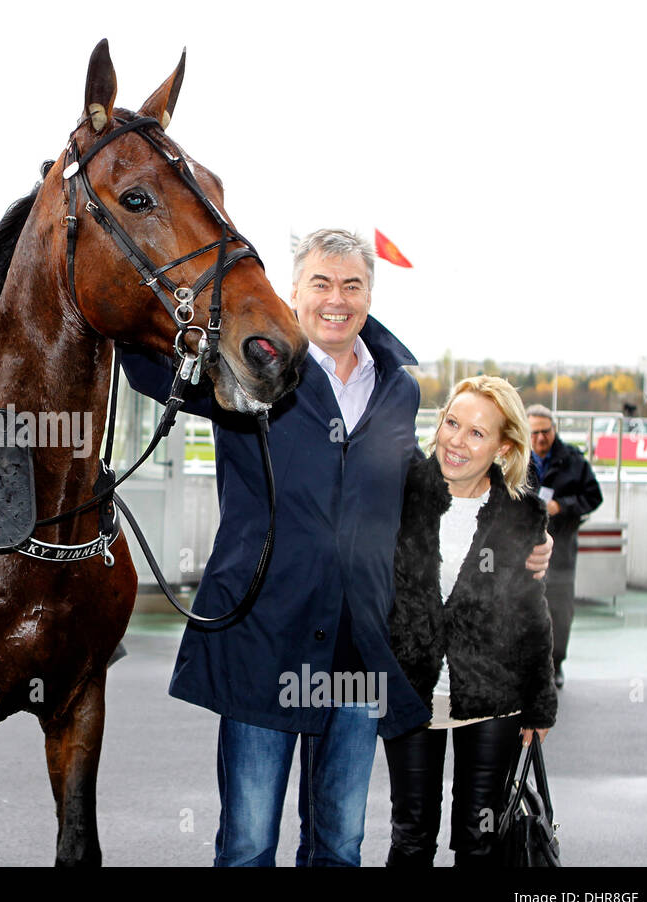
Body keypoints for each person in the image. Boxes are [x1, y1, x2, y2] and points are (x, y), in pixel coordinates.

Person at [119, 229, 551, 867]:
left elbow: (424, 485)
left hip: (357, 649)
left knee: (340, 846)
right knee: (247, 844)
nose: (336, 299)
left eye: (352, 285)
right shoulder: (252, 363)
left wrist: (523, 531)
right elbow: (148, 366)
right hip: (263, 636)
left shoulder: (398, 390)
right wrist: (131, 279)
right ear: (293, 292)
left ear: (369, 294)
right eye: (321, 282)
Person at [384, 376, 557, 866]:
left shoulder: (522, 514)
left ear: (504, 446)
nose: (456, 441)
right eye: (452, 423)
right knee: (411, 835)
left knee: (480, 841)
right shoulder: (402, 492)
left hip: (493, 699)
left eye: (477, 433)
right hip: (413, 693)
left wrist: (540, 705)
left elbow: (531, 613)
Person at [526, 404, 603, 688]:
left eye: (546, 432)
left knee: (560, 610)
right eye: (534, 433)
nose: (540, 438)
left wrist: (563, 506)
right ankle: (529, 665)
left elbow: (594, 497)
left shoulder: (574, 460)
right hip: (525, 550)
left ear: (554, 430)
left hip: (562, 549)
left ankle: (556, 664)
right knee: (524, 606)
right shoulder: (516, 458)